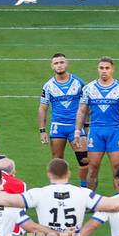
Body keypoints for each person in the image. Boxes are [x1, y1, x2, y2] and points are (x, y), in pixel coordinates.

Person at [75, 56, 119, 193]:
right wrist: (77, 132)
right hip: (96, 132)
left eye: (107, 68)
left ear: (112, 69)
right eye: (101, 68)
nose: (104, 71)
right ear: (98, 69)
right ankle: (90, 200)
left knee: (118, 168)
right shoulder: (89, 89)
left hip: (114, 132)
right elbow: (82, 111)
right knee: (93, 167)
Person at [38, 53, 89, 187]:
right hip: (58, 127)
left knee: (84, 160)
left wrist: (87, 126)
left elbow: (86, 106)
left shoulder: (78, 83)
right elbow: (43, 108)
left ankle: (84, 188)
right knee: (57, 162)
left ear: (67, 64)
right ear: (52, 66)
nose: (59, 65)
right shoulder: (48, 86)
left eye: (61, 62)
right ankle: (58, 189)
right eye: (56, 63)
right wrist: (42, 130)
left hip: (76, 127)